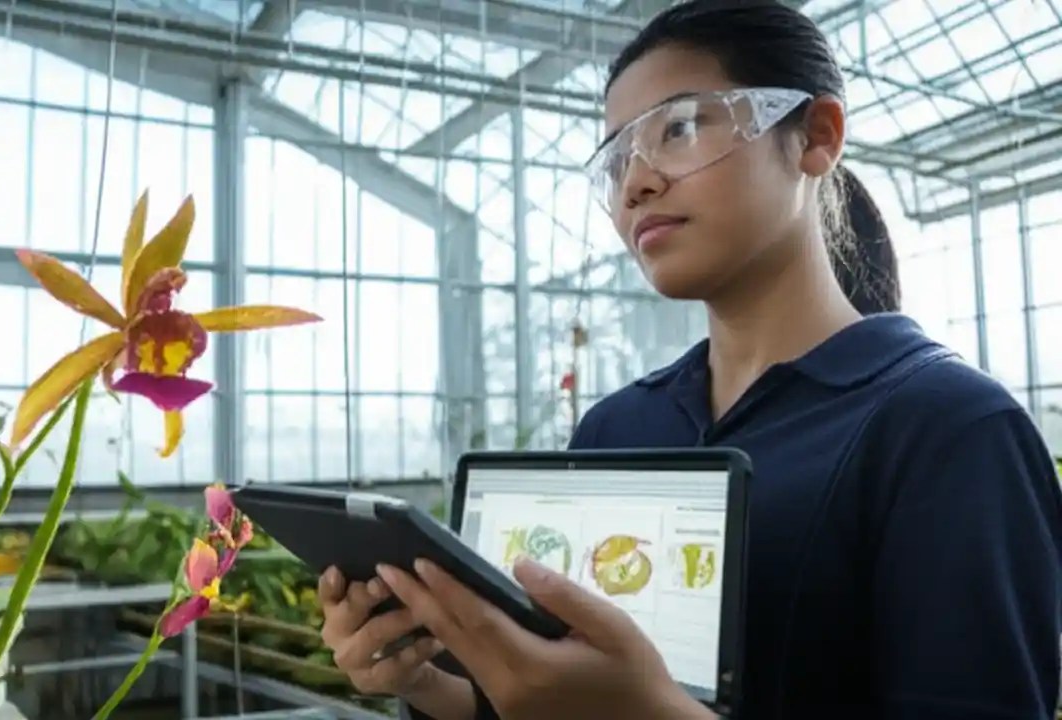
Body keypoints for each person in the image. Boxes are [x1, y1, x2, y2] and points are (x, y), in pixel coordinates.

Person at [317, 1, 1062, 718]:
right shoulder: (616, 428)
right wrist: (422, 683)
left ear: (816, 136)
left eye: (678, 128)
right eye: (615, 162)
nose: (635, 184)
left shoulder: (949, 430)